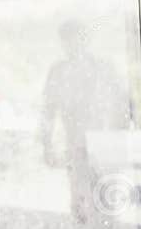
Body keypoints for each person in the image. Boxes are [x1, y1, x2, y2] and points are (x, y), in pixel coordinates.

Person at [41, 20, 132, 227]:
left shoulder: (104, 69)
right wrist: (46, 145)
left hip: (105, 144)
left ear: (87, 40)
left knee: (109, 199)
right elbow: (48, 110)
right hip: (76, 146)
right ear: (63, 42)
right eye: (69, 39)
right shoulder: (58, 72)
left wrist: (123, 140)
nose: (74, 44)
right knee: (80, 202)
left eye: (78, 37)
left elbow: (123, 106)